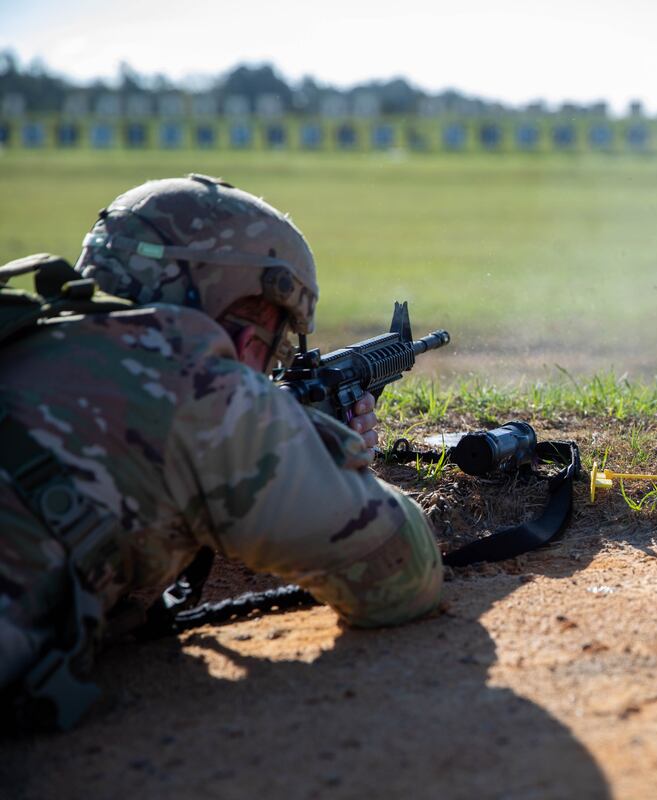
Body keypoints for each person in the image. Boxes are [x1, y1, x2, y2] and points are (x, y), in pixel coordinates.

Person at [0, 174, 443, 730]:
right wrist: (325, 451)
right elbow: (403, 573)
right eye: (276, 342)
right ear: (240, 311)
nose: (272, 365)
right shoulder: (199, 391)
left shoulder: (23, 336)